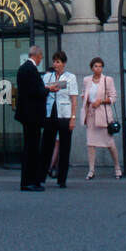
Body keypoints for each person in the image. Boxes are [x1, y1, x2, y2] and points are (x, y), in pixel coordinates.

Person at [41, 50, 78, 188]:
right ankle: (42, 176)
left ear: (64, 63)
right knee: (46, 145)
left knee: (65, 146)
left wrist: (73, 118)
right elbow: (42, 89)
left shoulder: (70, 77)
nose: (56, 64)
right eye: (54, 61)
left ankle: (62, 178)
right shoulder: (48, 76)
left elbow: (74, 98)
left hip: (65, 113)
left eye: (58, 61)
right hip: (50, 113)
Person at [81, 57, 121, 179]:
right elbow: (84, 93)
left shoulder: (107, 80)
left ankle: (117, 167)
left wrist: (101, 101)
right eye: (95, 66)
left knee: (109, 143)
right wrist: (85, 99)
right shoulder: (87, 80)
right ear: (91, 68)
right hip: (91, 115)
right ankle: (91, 170)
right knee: (91, 143)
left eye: (100, 66)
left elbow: (113, 97)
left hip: (103, 115)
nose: (98, 69)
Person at [15, 46, 47, 191]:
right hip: (32, 115)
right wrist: (48, 89)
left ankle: (29, 180)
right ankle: (29, 181)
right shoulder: (30, 69)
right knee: (32, 148)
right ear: (38, 56)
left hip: (27, 114)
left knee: (30, 147)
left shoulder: (23, 68)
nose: (41, 60)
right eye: (41, 57)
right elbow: (35, 91)